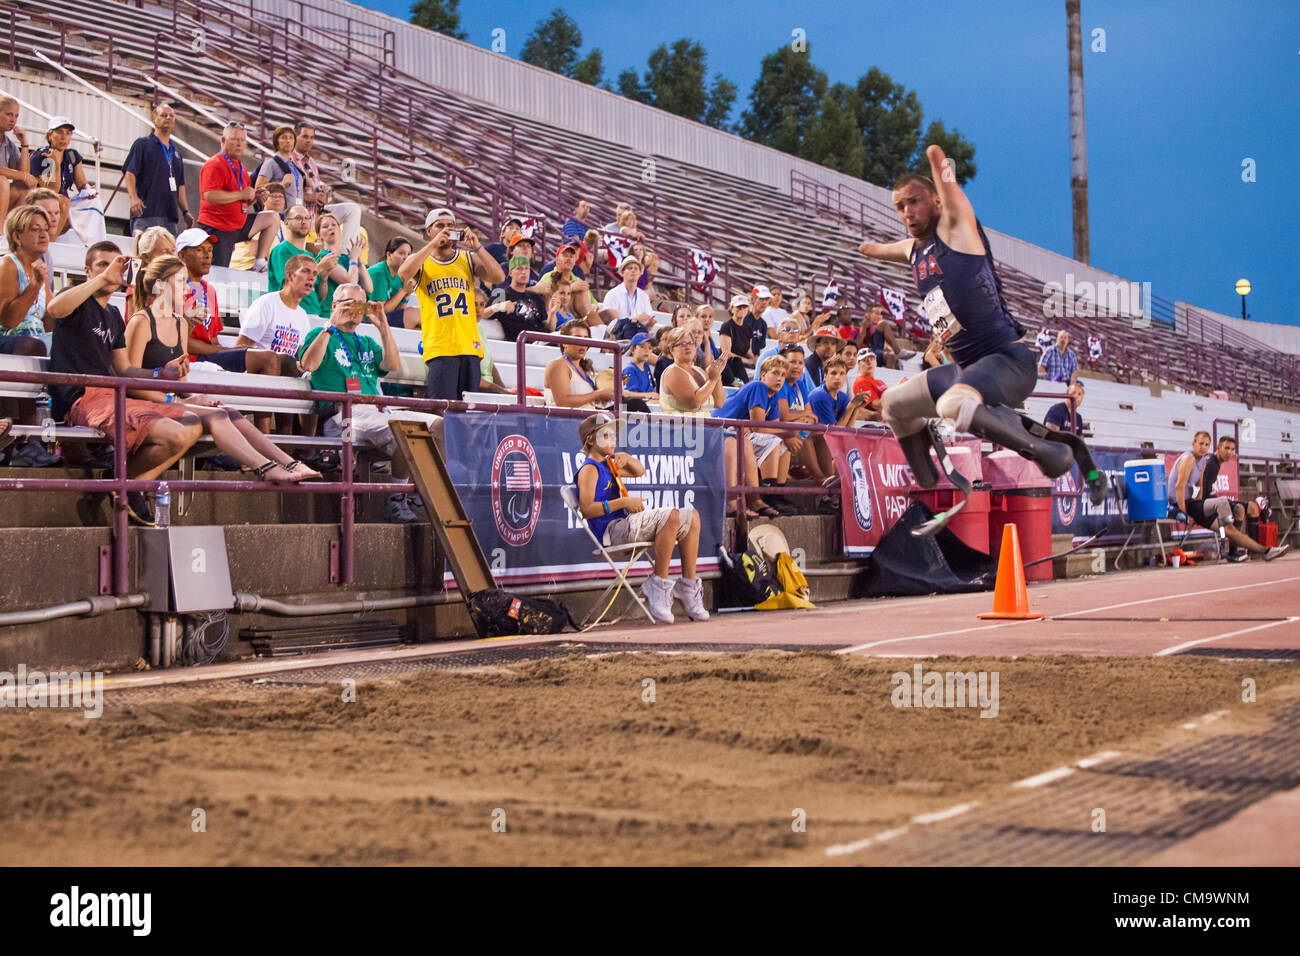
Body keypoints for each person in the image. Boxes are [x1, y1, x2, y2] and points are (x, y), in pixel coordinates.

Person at [858, 146, 1105, 535]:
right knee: (894, 404)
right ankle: (927, 481)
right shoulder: (914, 250)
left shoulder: (958, 229)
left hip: (1009, 361)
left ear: (937, 202)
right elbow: (891, 248)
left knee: (955, 402)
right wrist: (870, 250)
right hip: (967, 368)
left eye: (915, 203)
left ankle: (1045, 452)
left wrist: (939, 164)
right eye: (900, 207)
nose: (907, 213)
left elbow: (949, 187)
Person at [124, 254, 320, 484]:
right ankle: (266, 467)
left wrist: (196, 398)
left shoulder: (179, 323)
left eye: (187, 281)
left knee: (229, 411)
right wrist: (177, 402)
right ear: (159, 285)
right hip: (147, 403)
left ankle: (288, 462)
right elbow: (131, 382)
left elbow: (182, 383)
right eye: (179, 282)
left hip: (170, 400)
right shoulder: (141, 321)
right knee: (217, 414)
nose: (187, 289)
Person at [45, 242, 200, 524]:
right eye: (102, 265)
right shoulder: (75, 299)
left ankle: (126, 483)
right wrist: (102, 279)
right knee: (175, 434)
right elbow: (54, 309)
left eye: (115, 265)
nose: (111, 271)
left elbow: (124, 369)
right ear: (87, 271)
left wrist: (159, 374)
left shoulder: (114, 315)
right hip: (82, 398)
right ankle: (128, 485)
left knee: (193, 423)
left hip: (113, 396)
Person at [298, 283, 440, 522]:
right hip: (342, 414)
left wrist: (383, 326)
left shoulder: (366, 340)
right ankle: (397, 498)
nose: (354, 309)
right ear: (334, 306)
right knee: (407, 432)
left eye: (359, 304)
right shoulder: (320, 333)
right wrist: (331, 325)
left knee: (440, 426)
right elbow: (309, 365)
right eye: (347, 303)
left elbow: (391, 366)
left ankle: (418, 491)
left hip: (377, 410)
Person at [574, 411, 709, 623]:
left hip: (624, 526)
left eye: (614, 435)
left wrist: (627, 458)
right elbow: (587, 509)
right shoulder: (589, 469)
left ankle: (688, 586)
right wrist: (623, 503)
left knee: (692, 516)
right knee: (671, 516)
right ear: (591, 439)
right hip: (611, 533)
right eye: (606, 435)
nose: (613, 439)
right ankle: (658, 583)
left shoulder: (608, 464)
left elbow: (640, 471)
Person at [397, 208, 504, 401]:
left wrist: (478, 246)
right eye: (440, 226)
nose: (446, 230)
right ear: (428, 230)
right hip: (441, 347)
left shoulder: (467, 258)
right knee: (443, 410)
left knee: (468, 415)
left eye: (450, 226)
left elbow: (499, 276)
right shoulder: (421, 260)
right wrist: (432, 245)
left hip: (470, 347)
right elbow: (403, 273)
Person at [1169, 431, 1288, 561]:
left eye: (1206, 444)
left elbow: (1201, 487)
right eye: (1200, 443)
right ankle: (1260, 551)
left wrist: (1200, 508)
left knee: (1230, 526)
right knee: (1228, 514)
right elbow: (1179, 487)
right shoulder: (1189, 459)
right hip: (1182, 504)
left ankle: (1256, 550)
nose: (1203, 447)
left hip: (1194, 504)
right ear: (1193, 444)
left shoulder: (1202, 461)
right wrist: (1186, 514)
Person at [0, 205, 58, 466]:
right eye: (35, 229)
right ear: (16, 236)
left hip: (35, 341)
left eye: (45, 229)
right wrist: (34, 286)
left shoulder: (41, 267)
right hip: (9, 339)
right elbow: (9, 320)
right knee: (31, 346)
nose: (43, 234)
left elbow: (49, 321)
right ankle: (27, 440)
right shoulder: (7, 265)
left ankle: (78, 442)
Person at [712, 355, 793, 517]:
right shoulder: (758, 386)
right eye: (775, 373)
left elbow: (771, 425)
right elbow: (761, 428)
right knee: (776, 440)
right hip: (719, 430)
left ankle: (768, 494)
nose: (780, 378)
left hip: (738, 432)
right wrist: (787, 432)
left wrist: (783, 433)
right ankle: (764, 496)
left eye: (783, 375)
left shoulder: (774, 395)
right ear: (763, 375)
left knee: (783, 444)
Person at [197, 123, 281, 270]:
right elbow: (210, 195)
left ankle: (260, 261)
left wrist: (254, 197)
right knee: (218, 273)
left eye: (242, 140)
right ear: (223, 140)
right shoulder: (214, 164)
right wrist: (241, 194)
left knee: (272, 217)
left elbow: (239, 202)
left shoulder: (240, 167)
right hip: (217, 227)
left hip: (236, 224)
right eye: (235, 139)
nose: (239, 143)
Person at [1199, 435, 1282, 561]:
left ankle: (1251, 552)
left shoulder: (1216, 463)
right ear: (1218, 447)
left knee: (1253, 507)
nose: (1229, 452)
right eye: (1226, 448)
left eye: (1232, 449)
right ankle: (1235, 552)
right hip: (1207, 506)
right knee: (1239, 509)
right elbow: (1203, 494)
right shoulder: (1212, 464)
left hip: (1214, 501)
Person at [123, 103, 193, 236]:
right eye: (163, 115)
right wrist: (133, 198)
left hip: (170, 217)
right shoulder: (142, 144)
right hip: (146, 213)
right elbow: (130, 173)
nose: (168, 118)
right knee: (144, 254)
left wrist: (185, 211)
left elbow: (180, 186)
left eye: (171, 116)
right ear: (154, 120)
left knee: (167, 256)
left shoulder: (176, 153)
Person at [267, 204, 337, 315]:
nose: (304, 222)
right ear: (286, 223)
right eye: (298, 218)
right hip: (290, 314)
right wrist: (319, 268)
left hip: (313, 313)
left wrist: (323, 278)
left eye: (307, 218)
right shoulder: (281, 250)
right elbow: (288, 285)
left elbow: (320, 297)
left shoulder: (309, 255)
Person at [544, 319, 613, 410]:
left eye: (586, 338)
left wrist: (606, 396)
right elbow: (563, 402)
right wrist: (598, 394)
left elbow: (589, 401)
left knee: (627, 404)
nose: (583, 343)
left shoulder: (584, 367)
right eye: (578, 338)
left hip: (590, 419)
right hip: (567, 421)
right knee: (631, 405)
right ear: (564, 343)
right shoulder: (558, 365)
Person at [312, 210, 369, 317]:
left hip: (347, 314)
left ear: (340, 230)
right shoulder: (324, 256)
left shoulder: (345, 257)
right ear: (319, 235)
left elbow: (369, 288)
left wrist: (360, 262)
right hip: (328, 313)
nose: (330, 228)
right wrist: (353, 258)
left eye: (334, 225)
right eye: (325, 226)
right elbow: (351, 282)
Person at [229, 182, 286, 271]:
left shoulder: (284, 225)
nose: (277, 199)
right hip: (244, 268)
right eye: (273, 196)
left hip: (268, 269)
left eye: (281, 196)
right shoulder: (261, 220)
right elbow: (255, 250)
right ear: (264, 199)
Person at [30, 117, 88, 200]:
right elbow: (50, 191)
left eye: (68, 133)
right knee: (63, 202)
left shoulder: (72, 155)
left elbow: (82, 184)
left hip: (62, 201)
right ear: (50, 135)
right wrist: (56, 164)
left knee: (94, 200)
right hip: (40, 200)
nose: (64, 137)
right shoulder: (44, 156)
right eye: (59, 132)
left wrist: (88, 190)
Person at [497, 255, 552, 342]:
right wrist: (498, 307)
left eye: (527, 268)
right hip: (522, 343)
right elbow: (483, 314)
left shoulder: (537, 297)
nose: (524, 272)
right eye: (519, 268)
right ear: (510, 273)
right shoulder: (501, 294)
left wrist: (552, 313)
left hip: (544, 341)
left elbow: (548, 327)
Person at [254, 125, 307, 210]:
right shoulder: (270, 163)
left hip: (296, 214)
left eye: (291, 138)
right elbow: (258, 189)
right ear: (277, 142)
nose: (288, 141)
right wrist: (281, 184)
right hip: (279, 213)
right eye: (284, 137)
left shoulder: (295, 167)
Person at [367, 237, 416, 327]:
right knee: (415, 315)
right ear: (389, 254)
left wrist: (407, 295)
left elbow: (399, 311)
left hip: (383, 319)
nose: (405, 258)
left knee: (417, 325)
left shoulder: (397, 276)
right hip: (367, 320)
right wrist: (403, 290)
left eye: (408, 254)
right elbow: (379, 311)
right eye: (401, 253)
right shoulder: (378, 273)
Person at [600, 256, 655, 337]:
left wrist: (649, 325)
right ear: (622, 273)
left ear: (640, 273)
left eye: (636, 269)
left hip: (638, 337)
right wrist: (635, 319)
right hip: (618, 337)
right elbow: (610, 325)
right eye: (629, 268)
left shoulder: (644, 297)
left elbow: (646, 323)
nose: (633, 270)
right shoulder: (613, 294)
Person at [808, 358, 871, 428]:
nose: (838, 377)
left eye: (842, 374)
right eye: (833, 373)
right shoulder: (820, 396)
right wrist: (851, 406)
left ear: (845, 378)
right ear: (825, 376)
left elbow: (849, 427)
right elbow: (833, 432)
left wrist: (857, 407)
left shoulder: (843, 397)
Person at [717, 293, 765, 382]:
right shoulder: (727, 326)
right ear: (732, 309)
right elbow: (726, 353)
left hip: (744, 365)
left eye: (744, 307)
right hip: (732, 366)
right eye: (738, 307)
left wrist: (755, 359)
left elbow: (748, 350)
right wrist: (748, 361)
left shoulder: (747, 328)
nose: (741, 309)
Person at [850, 348, 887, 422]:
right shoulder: (860, 381)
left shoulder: (880, 382)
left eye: (871, 359)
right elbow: (876, 405)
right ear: (859, 365)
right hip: (875, 421)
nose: (869, 362)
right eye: (865, 360)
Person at [621, 332, 658, 404]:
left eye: (650, 348)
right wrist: (647, 395)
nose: (647, 350)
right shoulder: (629, 370)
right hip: (637, 406)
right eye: (642, 347)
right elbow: (625, 393)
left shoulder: (646, 366)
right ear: (632, 349)